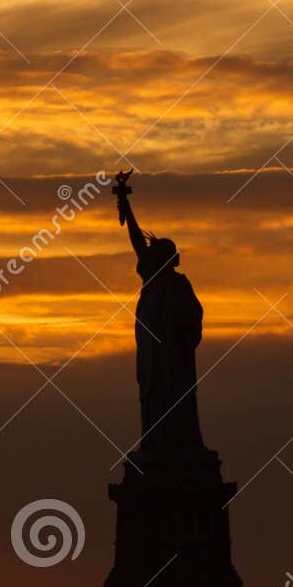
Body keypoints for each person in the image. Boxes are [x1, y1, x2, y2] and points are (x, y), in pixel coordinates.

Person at [115, 170, 205, 452]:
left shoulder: (179, 284)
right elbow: (136, 241)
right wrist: (124, 202)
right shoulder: (152, 278)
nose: (151, 257)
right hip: (152, 354)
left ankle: (180, 445)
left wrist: (180, 327)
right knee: (152, 397)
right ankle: (154, 443)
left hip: (174, 354)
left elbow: (193, 317)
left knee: (176, 397)